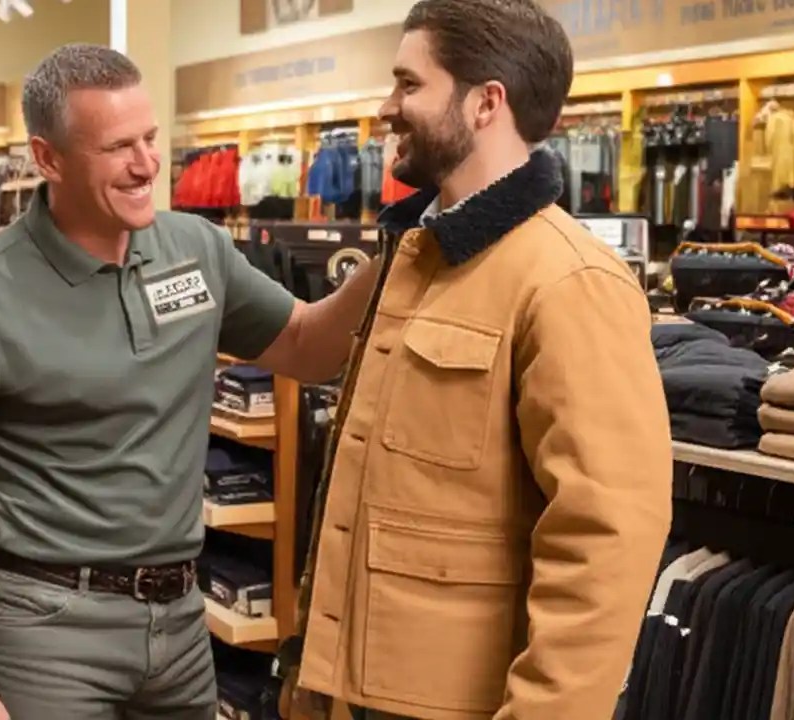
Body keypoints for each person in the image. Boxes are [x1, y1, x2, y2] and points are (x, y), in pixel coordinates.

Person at [0, 44, 380, 720]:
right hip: (45, 627)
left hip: (181, 622)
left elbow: (306, 347)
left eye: (150, 138)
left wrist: (392, 260)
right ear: (49, 158)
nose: (147, 164)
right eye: (118, 147)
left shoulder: (198, 251)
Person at [279, 1, 673, 718]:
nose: (385, 107)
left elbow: (606, 539)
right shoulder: (410, 259)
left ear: (486, 102)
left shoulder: (568, 281)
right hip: (352, 692)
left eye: (408, 85)